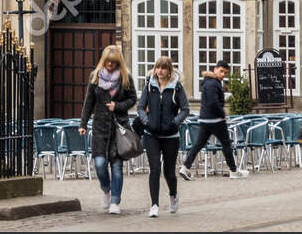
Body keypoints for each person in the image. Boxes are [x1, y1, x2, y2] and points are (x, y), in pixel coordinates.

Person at [78, 46, 136, 214]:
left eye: (114, 62)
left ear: (119, 62)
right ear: (104, 60)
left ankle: (115, 202)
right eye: (108, 61)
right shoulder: (95, 77)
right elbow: (88, 102)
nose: (110, 64)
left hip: (119, 128)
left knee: (117, 167)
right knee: (100, 163)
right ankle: (106, 189)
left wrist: (117, 106)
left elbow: (133, 99)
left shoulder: (125, 78)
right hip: (100, 128)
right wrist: (82, 124)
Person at [136, 55, 189, 217]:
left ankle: (173, 195)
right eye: (158, 67)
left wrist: (174, 123)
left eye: (163, 68)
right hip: (151, 134)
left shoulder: (176, 88)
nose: (159, 71)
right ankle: (154, 205)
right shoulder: (149, 86)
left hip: (171, 136)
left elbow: (185, 109)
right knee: (154, 169)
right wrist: (146, 121)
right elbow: (139, 107)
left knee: (169, 172)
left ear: (169, 70)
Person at [180, 60, 246, 180]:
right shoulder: (212, 83)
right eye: (221, 71)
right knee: (226, 144)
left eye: (225, 73)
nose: (223, 75)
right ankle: (233, 171)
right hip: (215, 120)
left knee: (198, 144)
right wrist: (222, 114)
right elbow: (213, 102)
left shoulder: (209, 82)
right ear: (215, 69)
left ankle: (185, 167)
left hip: (205, 120)